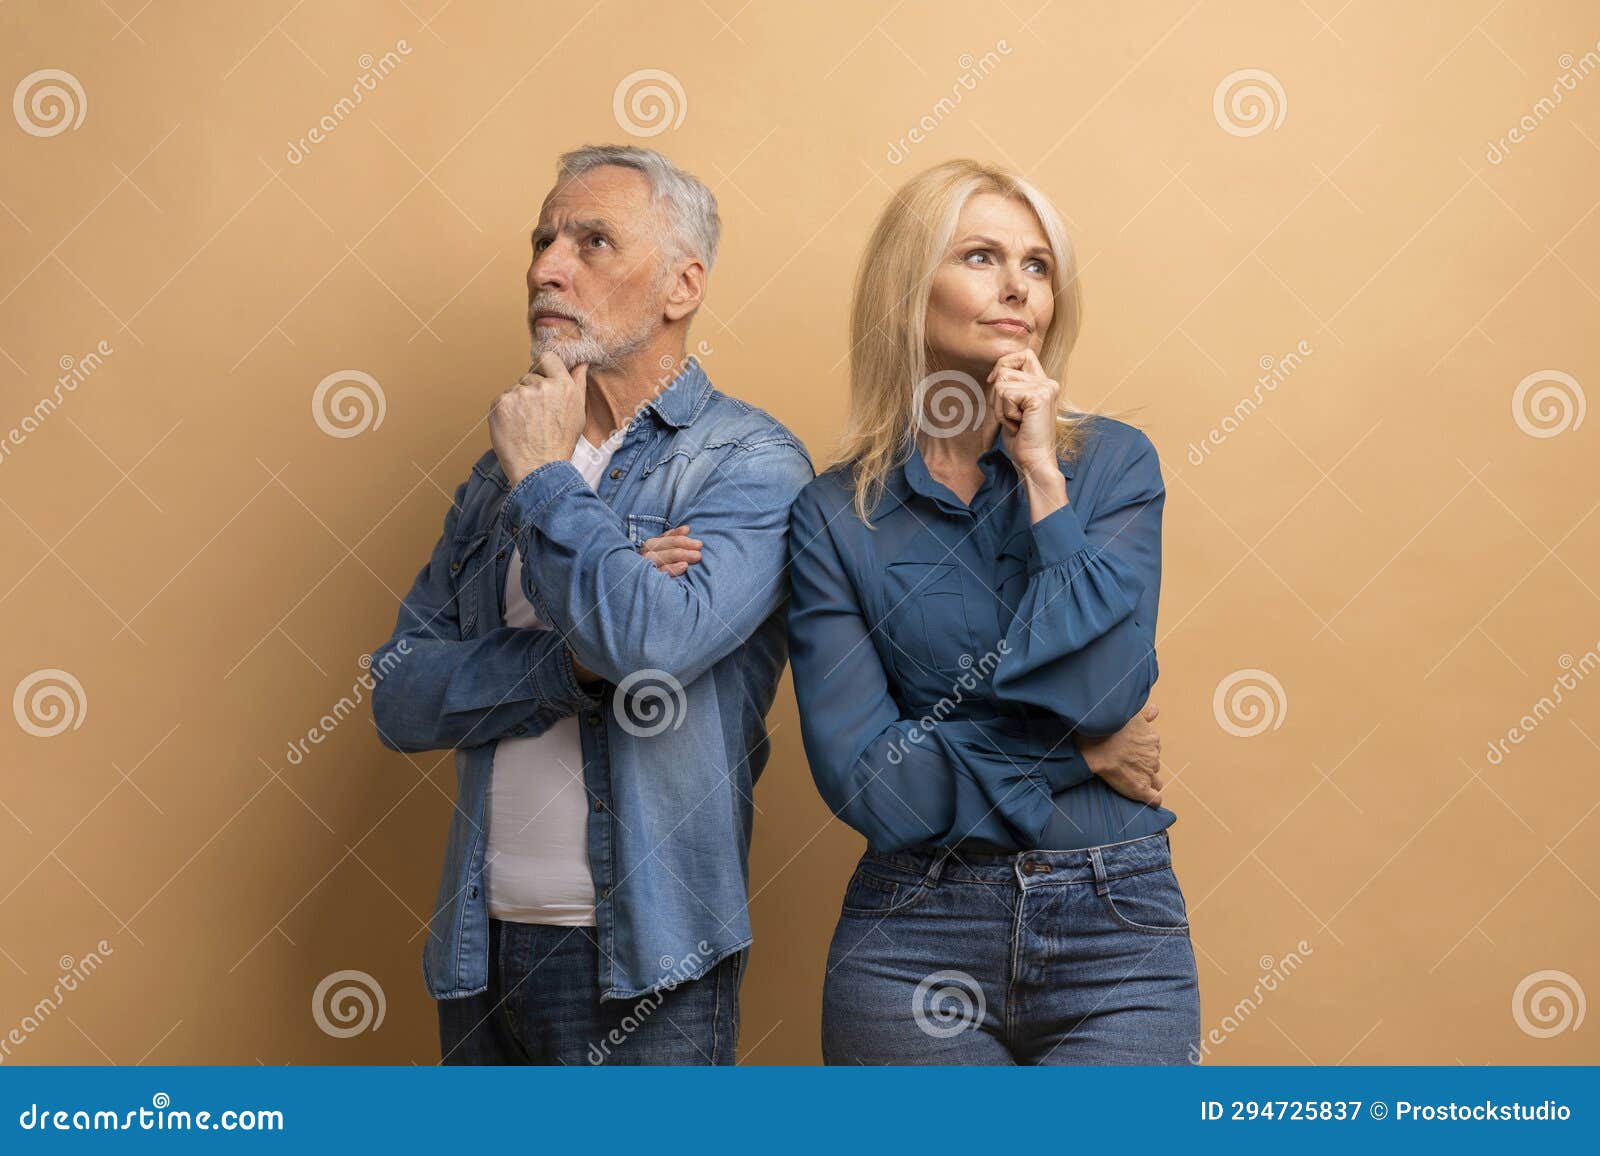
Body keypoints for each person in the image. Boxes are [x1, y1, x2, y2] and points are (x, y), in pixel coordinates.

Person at [369, 144, 813, 1065]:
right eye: (542, 240)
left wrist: (546, 481)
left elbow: (646, 647)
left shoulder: (749, 462)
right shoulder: (489, 486)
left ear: (681, 286)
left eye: (592, 241)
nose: (544, 267)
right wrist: (568, 661)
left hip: (646, 966)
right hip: (477, 955)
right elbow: (398, 697)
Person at [785, 158, 1199, 1064]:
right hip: (912, 939)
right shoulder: (832, 514)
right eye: (980, 256)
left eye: (1039, 265)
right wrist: (1079, 756)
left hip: (1117, 931)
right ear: (910, 285)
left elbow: (1105, 694)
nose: (1018, 286)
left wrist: (1045, 479)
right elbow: (871, 784)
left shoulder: (1115, 467)